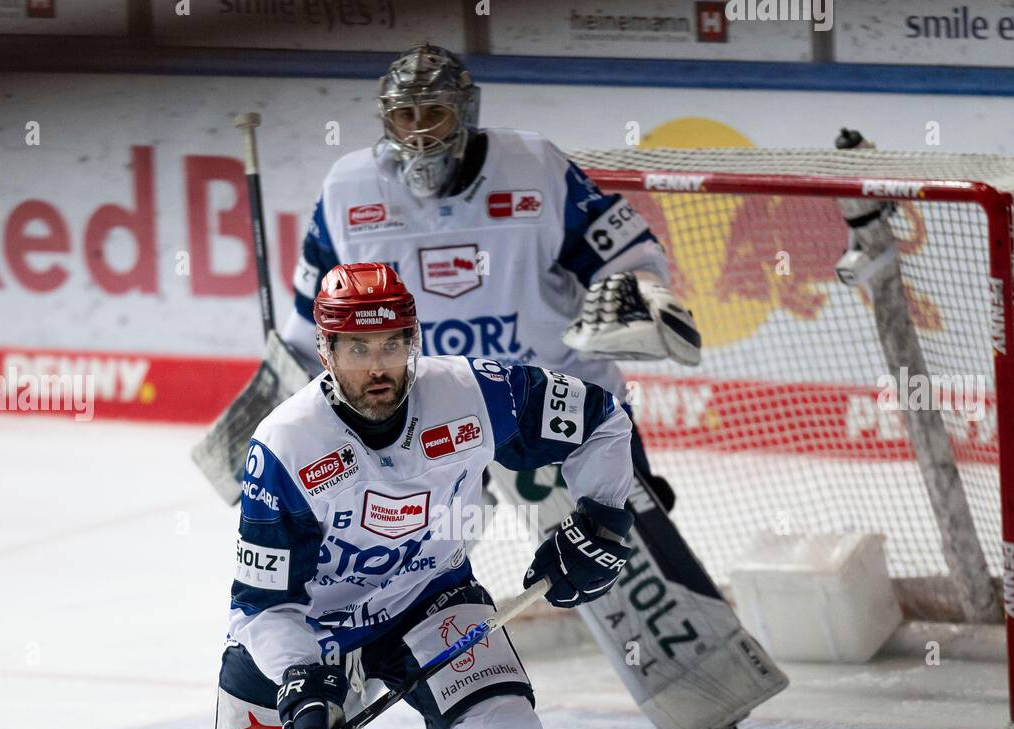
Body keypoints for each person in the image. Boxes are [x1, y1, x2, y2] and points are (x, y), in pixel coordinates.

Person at [148, 263, 636, 729]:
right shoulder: (283, 447)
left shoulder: (476, 393)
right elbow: (261, 604)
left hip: (429, 598)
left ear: (414, 341)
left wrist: (602, 518)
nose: (377, 367)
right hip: (308, 629)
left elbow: (603, 416)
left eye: (391, 346)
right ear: (326, 351)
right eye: (356, 349)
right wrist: (305, 689)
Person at [279, 41, 700, 506]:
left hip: (557, 393)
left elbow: (624, 254)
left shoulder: (533, 165)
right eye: (405, 116)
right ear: (387, 119)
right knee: (415, 559)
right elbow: (310, 321)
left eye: (434, 113)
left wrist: (648, 291)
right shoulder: (348, 189)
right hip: (433, 409)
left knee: (624, 551)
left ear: (465, 113)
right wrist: (280, 412)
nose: (419, 134)